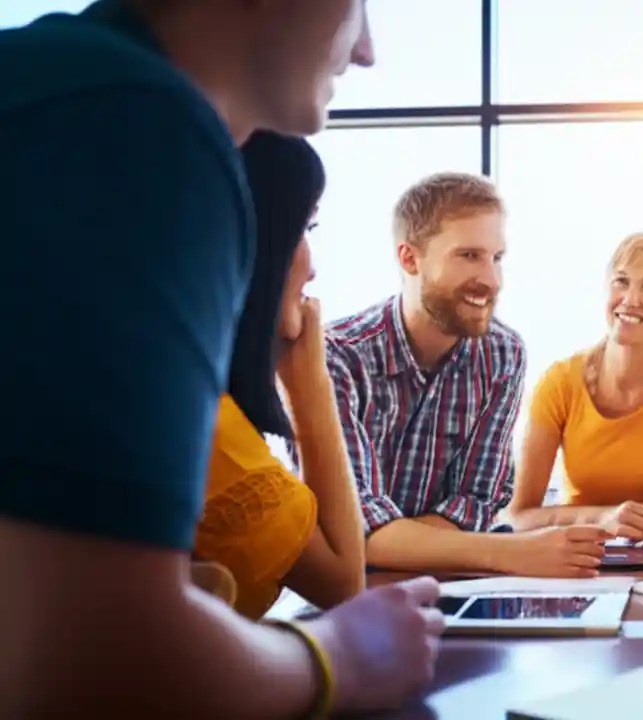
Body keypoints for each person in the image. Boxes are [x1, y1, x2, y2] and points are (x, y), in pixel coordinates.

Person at [0, 2, 448, 716]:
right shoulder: (137, 123)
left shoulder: (55, 91)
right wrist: (343, 654)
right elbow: (95, 659)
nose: (365, 50)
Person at [326, 172, 610, 578]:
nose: (492, 281)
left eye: (497, 258)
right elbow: (351, 528)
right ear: (409, 258)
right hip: (347, 600)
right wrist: (510, 552)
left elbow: (474, 502)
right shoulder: (338, 357)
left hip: (449, 582)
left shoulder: (502, 355)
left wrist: (391, 544)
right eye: (469, 256)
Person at [194, 131, 365, 620]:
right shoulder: (208, 431)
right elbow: (342, 580)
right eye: (304, 229)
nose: (312, 267)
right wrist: (310, 387)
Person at [506, 232, 643, 538]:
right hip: (578, 556)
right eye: (621, 282)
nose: (630, 299)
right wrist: (604, 518)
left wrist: (623, 519)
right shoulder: (560, 382)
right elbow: (519, 516)